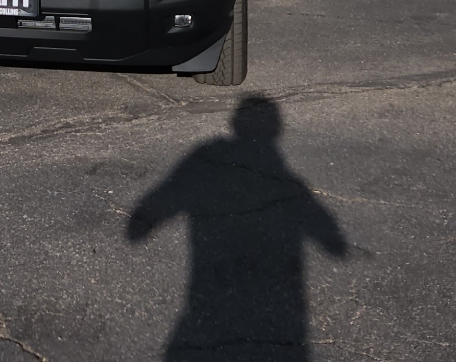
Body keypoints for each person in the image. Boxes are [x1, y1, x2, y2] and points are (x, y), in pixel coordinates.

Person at [128, 96, 348, 361]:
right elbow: (330, 238)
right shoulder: (288, 181)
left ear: (234, 123)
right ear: (277, 129)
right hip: (276, 314)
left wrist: (146, 219)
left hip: (211, 299)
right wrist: (333, 241)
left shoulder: (206, 156)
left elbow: (168, 194)